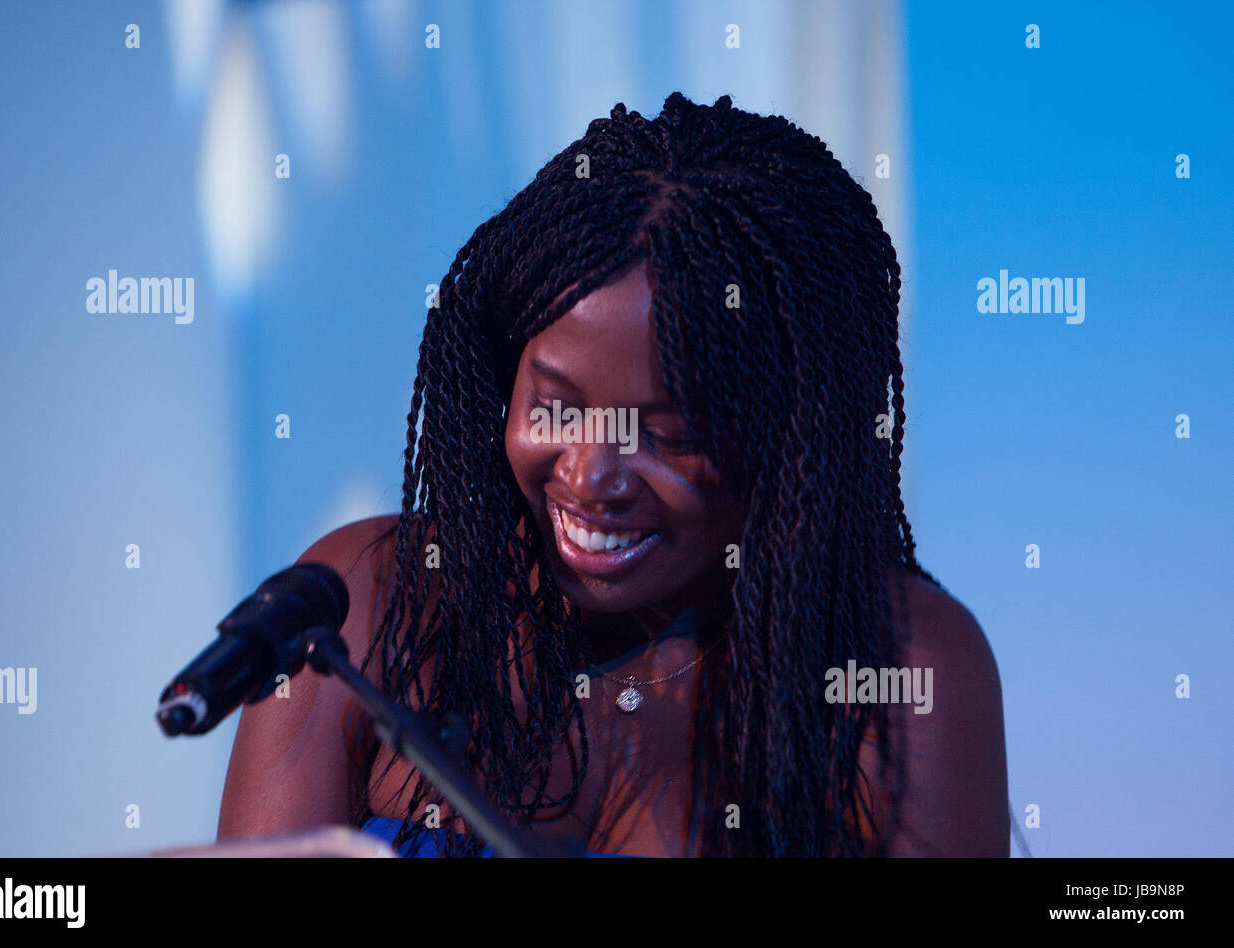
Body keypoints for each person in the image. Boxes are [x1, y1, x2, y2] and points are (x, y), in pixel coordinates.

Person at [217, 92, 1008, 858]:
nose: (592, 475)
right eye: (556, 405)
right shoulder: (359, 614)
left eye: (669, 433)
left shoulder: (896, 668)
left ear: (801, 438)